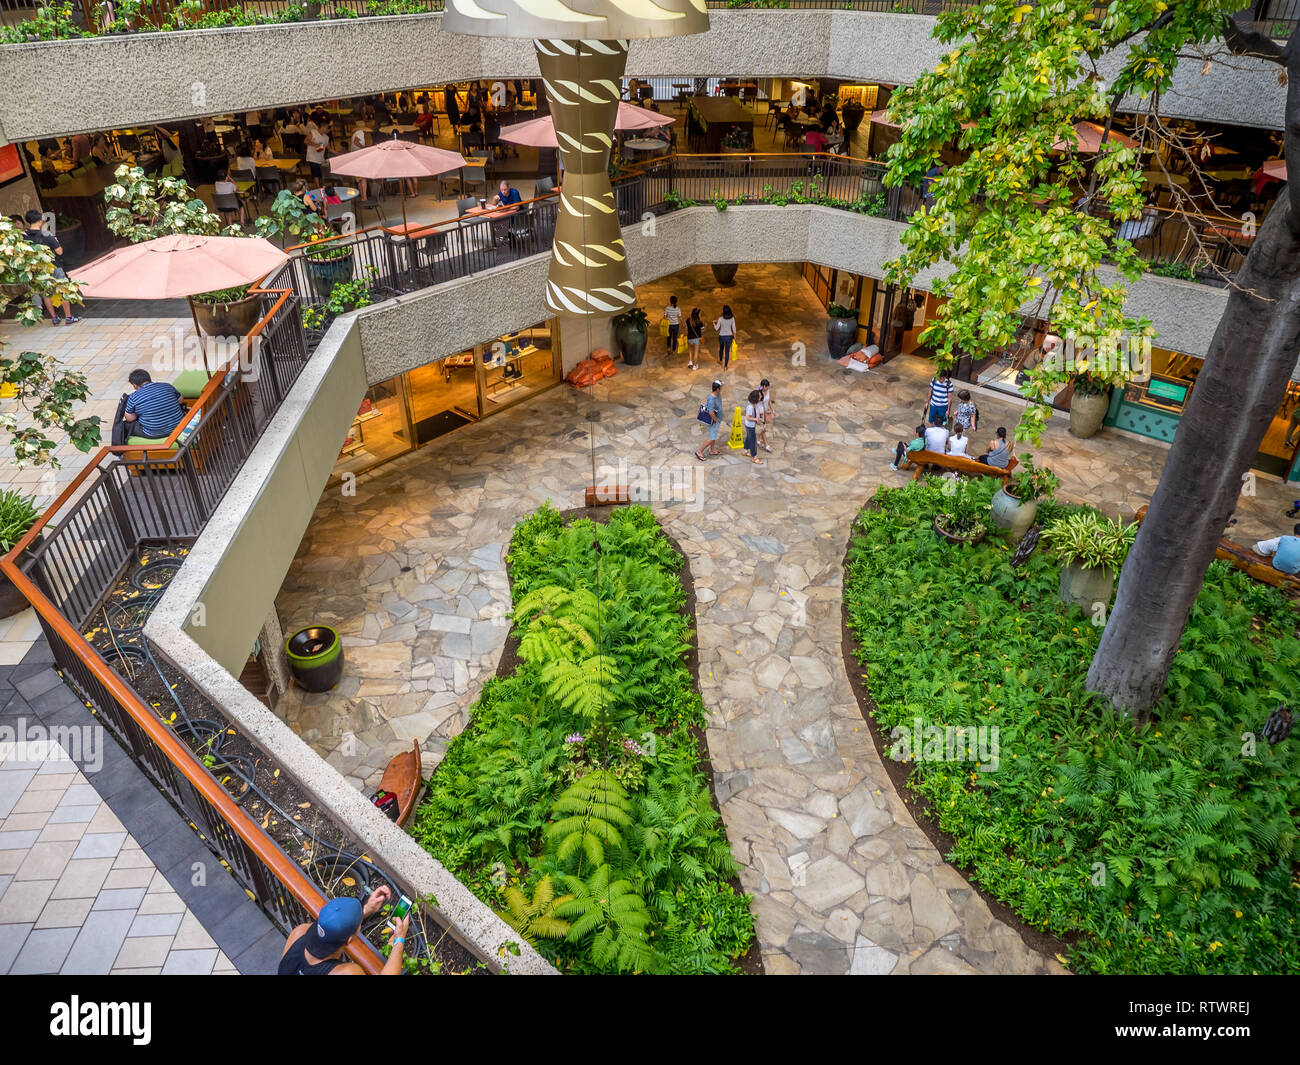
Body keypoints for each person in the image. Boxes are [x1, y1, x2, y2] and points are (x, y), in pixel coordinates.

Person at [278, 888, 408, 976]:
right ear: (348, 940)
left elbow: (332, 925)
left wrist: (365, 910)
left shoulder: (299, 933)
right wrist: (399, 940)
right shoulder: (346, 972)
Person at [22, 210, 81, 326]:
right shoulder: (46, 234)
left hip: (39, 269)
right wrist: (56, 242)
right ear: (40, 221)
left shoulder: (25, 236)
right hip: (54, 266)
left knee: (46, 293)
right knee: (63, 290)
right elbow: (59, 252)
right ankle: (68, 317)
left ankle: (54, 318)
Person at [119, 369, 186, 441]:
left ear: (134, 385)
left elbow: (130, 418)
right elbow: (181, 400)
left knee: (128, 425)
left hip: (154, 433)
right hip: (180, 426)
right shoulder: (167, 386)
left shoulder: (133, 397)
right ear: (149, 378)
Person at [695, 380, 724, 461]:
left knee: (713, 435)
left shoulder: (718, 394)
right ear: (717, 389)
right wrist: (716, 420)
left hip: (717, 419)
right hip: (713, 420)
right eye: (721, 387)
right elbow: (711, 413)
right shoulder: (712, 399)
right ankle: (699, 452)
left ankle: (712, 450)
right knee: (712, 437)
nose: (722, 388)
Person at [743, 388, 764, 466]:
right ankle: (754, 456)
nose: (760, 397)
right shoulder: (750, 407)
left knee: (749, 437)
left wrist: (758, 415)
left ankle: (745, 451)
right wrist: (756, 419)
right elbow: (748, 417)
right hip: (750, 426)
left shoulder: (753, 404)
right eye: (759, 396)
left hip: (749, 425)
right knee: (753, 441)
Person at [714, 305, 737, 369]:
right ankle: (725, 366)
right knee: (727, 351)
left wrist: (714, 323)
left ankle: (720, 361)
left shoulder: (720, 318)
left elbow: (716, 328)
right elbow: (734, 328)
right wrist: (735, 336)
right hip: (729, 337)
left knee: (721, 349)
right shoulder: (732, 318)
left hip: (721, 337)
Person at [757, 377, 774, 453]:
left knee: (761, 428)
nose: (768, 388)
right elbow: (756, 405)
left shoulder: (768, 391)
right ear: (763, 386)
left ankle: (758, 441)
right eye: (766, 386)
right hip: (760, 413)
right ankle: (766, 445)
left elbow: (769, 401)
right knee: (763, 429)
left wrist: (772, 410)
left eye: (768, 386)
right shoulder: (759, 394)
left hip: (765, 412)